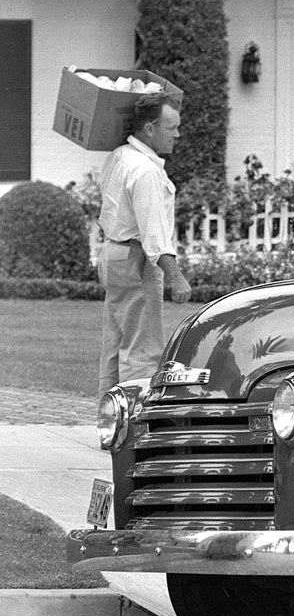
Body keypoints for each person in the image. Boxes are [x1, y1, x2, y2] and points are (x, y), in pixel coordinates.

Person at [97, 93, 192, 398]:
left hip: (112, 254)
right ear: (150, 129)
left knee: (115, 343)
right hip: (136, 261)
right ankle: (132, 430)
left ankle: (108, 423)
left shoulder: (120, 156)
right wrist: (176, 277)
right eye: (171, 127)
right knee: (143, 349)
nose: (177, 134)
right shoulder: (146, 171)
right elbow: (154, 236)